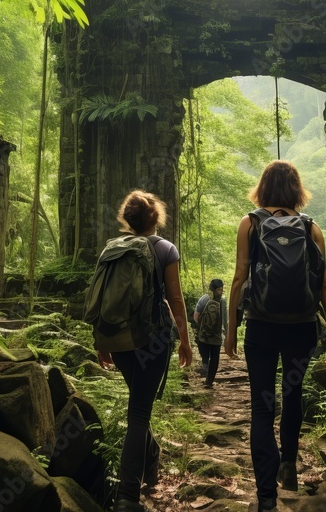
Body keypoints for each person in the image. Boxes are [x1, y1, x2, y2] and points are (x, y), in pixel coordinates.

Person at [225, 160, 326, 512]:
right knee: (293, 394)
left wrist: (232, 330)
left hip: (260, 326)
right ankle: (288, 464)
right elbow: (324, 286)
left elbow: (238, 279)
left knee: (261, 406)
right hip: (302, 327)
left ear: (262, 188)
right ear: (296, 189)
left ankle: (266, 499)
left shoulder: (251, 223)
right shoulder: (311, 228)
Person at [97, 190, 193, 512]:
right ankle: (127, 496)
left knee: (139, 404)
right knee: (139, 413)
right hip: (152, 341)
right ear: (156, 218)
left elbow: (100, 299)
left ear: (127, 219)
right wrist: (184, 339)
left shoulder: (113, 249)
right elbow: (176, 300)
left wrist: (102, 342)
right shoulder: (165, 249)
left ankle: (151, 462)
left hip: (120, 340)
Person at [193, 278, 226, 387]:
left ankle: (206, 376)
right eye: (219, 289)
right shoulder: (223, 301)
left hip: (204, 336)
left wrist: (202, 328)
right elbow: (225, 320)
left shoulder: (204, 298)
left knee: (206, 357)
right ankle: (209, 381)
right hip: (216, 336)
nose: (220, 292)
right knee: (215, 358)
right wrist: (226, 333)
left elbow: (196, 316)